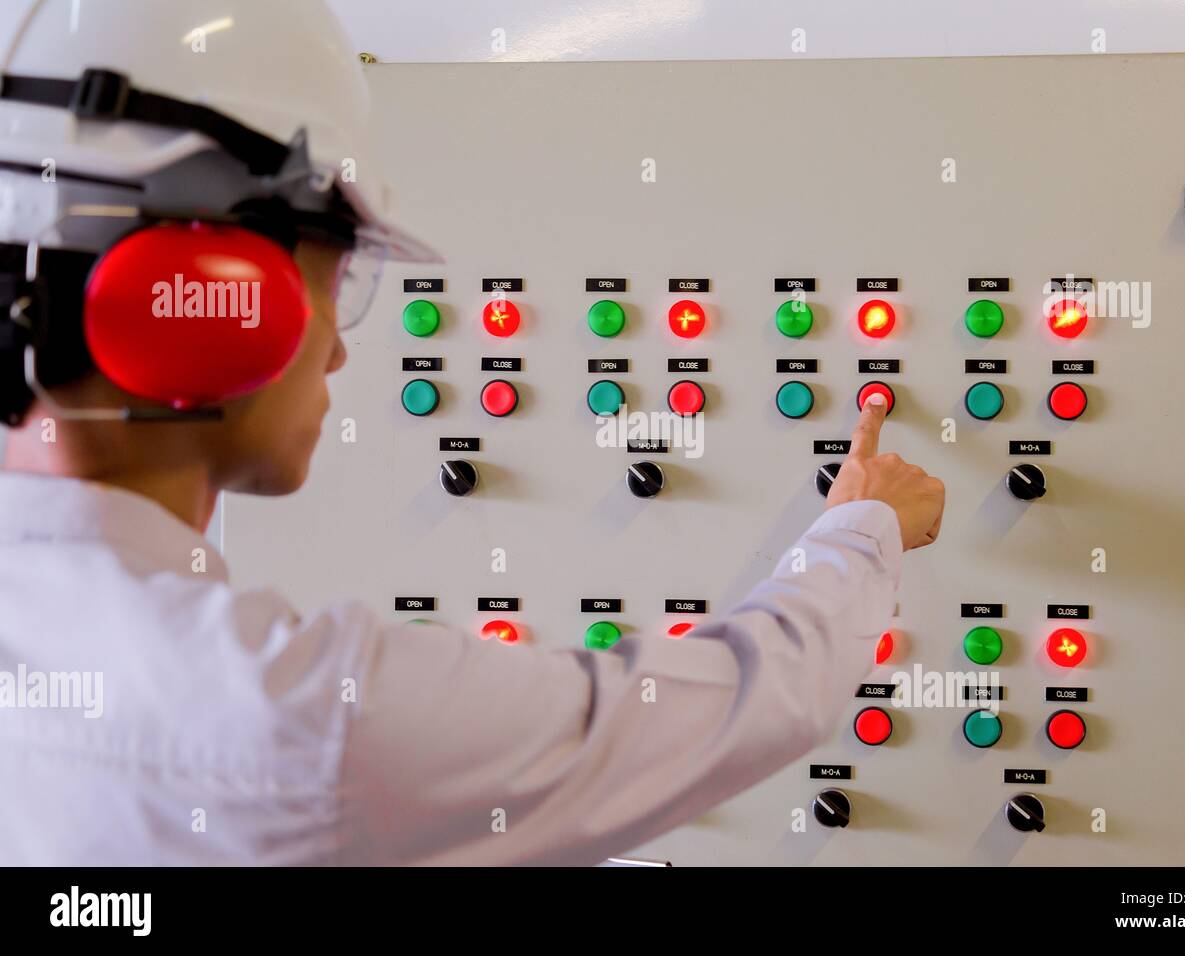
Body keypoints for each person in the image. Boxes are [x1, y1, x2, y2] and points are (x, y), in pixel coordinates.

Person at [0, 0, 944, 865]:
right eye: (335, 286)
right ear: (208, 295)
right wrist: (863, 529)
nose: (334, 353)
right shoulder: (295, 719)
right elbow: (741, 702)